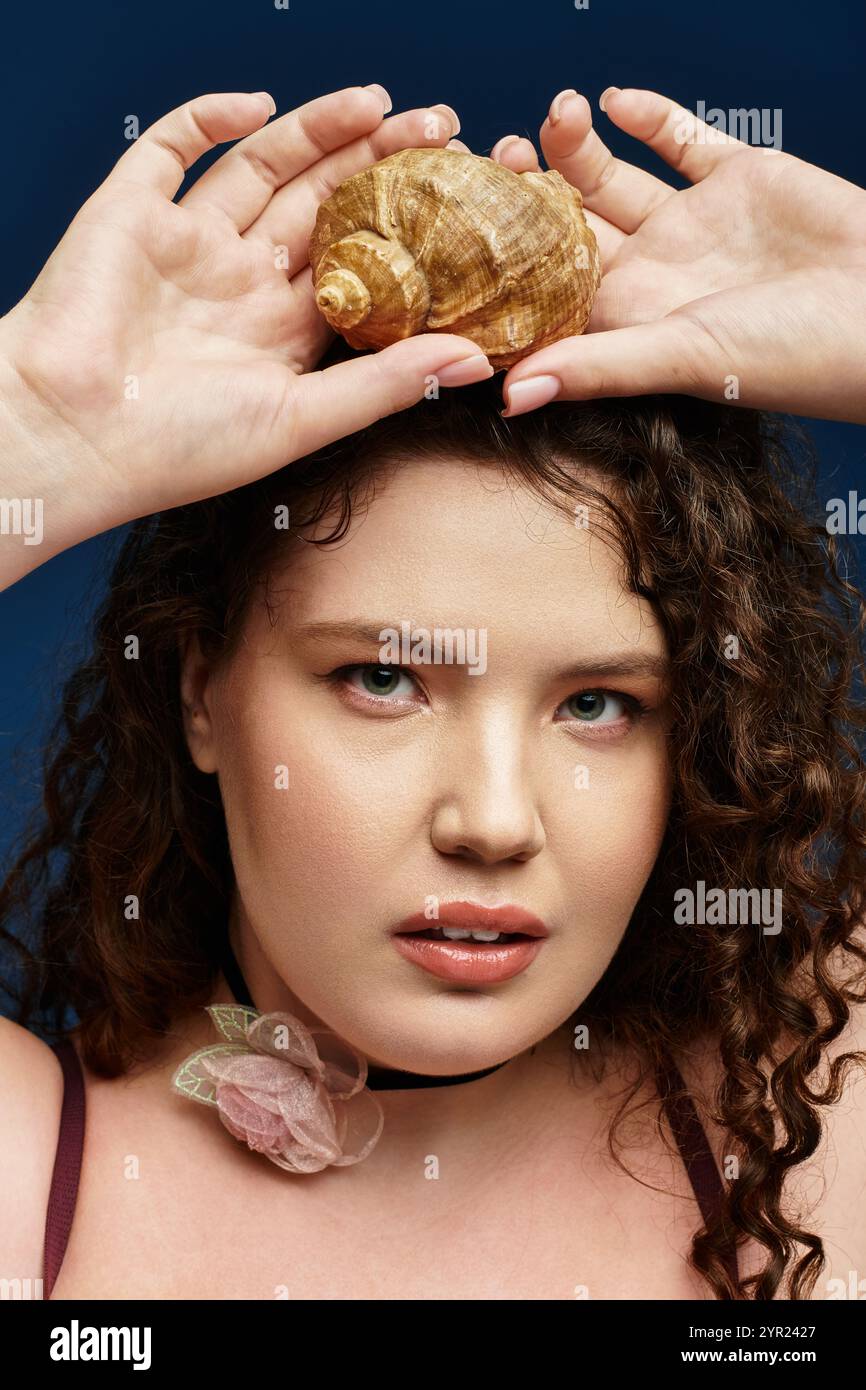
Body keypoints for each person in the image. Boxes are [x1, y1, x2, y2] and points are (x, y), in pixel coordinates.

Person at [1, 83, 865, 1302]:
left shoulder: (808, 1127)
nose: (495, 822)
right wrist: (33, 436)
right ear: (201, 689)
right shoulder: (30, 1177)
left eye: (596, 704)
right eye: (384, 676)